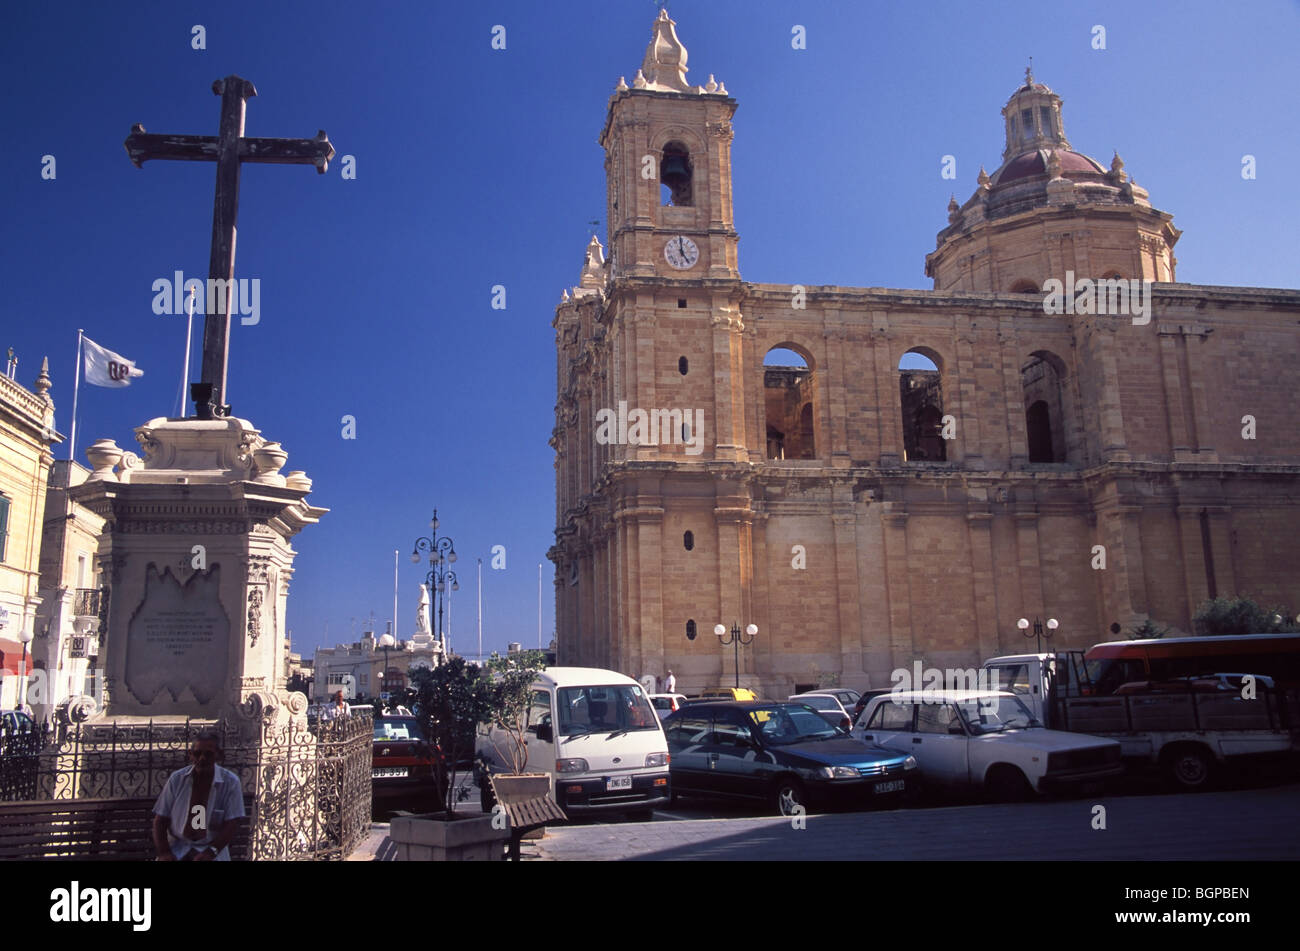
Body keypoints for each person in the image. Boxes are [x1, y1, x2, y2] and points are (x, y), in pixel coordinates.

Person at [152, 731, 246, 861]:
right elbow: (160, 819)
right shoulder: (177, 779)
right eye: (197, 754)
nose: (202, 758)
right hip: (179, 848)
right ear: (190, 755)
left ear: (218, 755)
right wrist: (164, 853)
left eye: (208, 754)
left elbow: (231, 824)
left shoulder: (230, 782)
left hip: (212, 850)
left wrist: (210, 852)